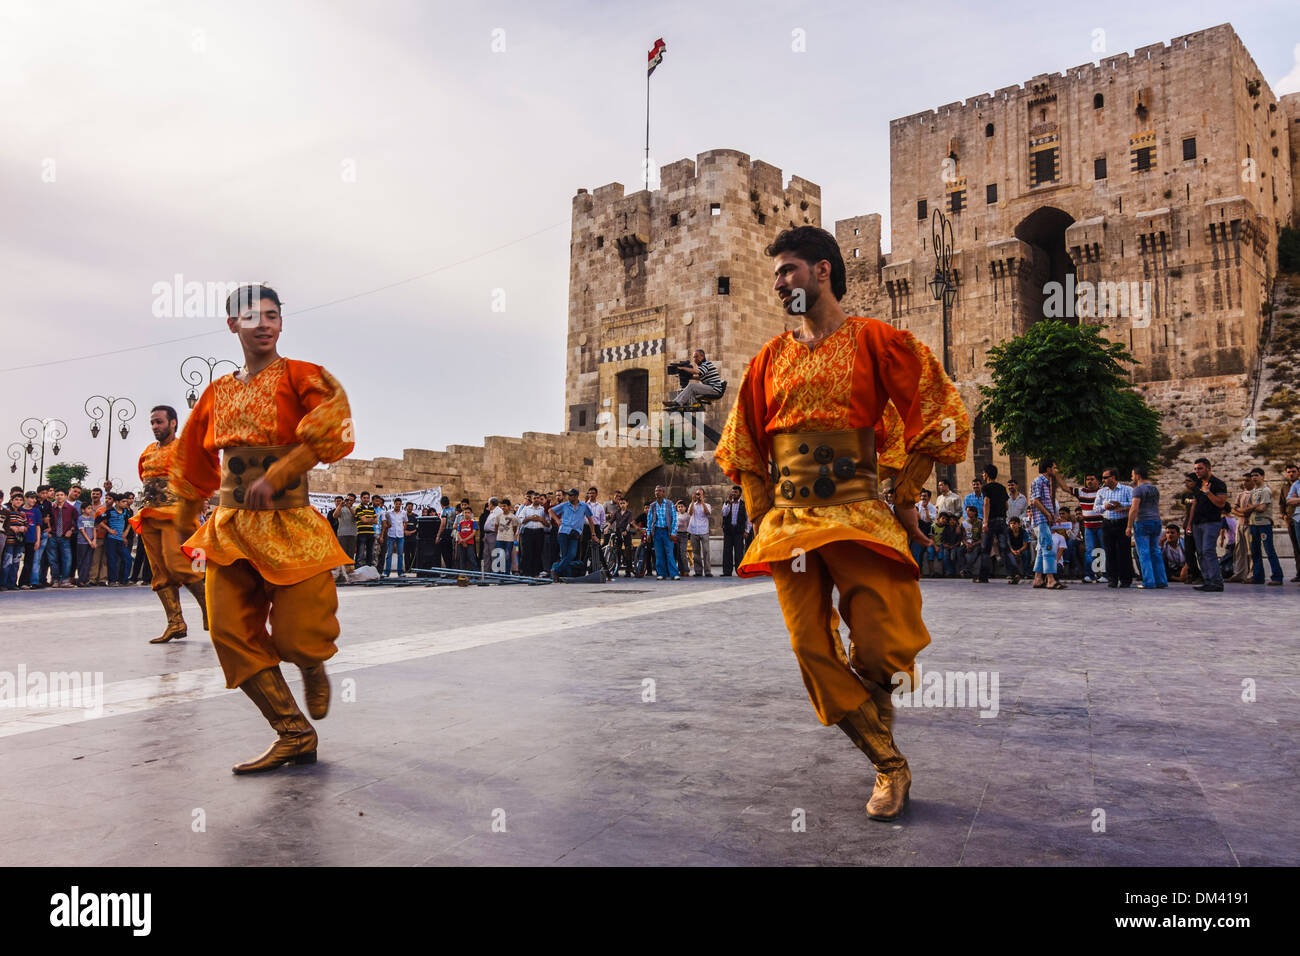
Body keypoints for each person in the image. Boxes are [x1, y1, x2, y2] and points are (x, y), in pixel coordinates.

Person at [714, 225, 968, 821]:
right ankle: (889, 764)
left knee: (882, 645)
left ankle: (875, 710)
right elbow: (742, 445)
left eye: (788, 270)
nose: (778, 283)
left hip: (857, 510)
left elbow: (940, 411)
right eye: (775, 273)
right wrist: (760, 518)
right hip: (790, 519)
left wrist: (907, 492)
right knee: (809, 644)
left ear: (823, 270)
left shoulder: (877, 340)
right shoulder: (767, 360)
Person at [169, 283, 354, 774]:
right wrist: (185, 529)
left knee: (296, 636)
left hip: (292, 523)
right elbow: (192, 459)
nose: (265, 324)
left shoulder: (302, 376)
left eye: (273, 315)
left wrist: (280, 472)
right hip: (231, 528)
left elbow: (334, 422)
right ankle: (293, 732)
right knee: (229, 631)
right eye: (253, 317)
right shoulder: (217, 391)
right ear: (233, 325)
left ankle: (311, 664)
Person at [129, 405, 209, 642]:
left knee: (181, 566)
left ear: (173, 423)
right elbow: (144, 477)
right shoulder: (147, 451)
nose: (155, 426)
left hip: (177, 516)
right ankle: (175, 623)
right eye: (152, 422)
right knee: (160, 572)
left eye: (159, 422)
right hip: (151, 516)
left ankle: (211, 613)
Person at [1189, 458, 1228, 592]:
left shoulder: (1218, 484)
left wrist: (1208, 492)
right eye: (1195, 469)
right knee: (1200, 552)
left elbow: (1221, 503)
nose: (1197, 471)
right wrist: (1189, 522)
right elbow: (1195, 503)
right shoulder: (1198, 484)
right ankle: (1208, 580)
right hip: (1197, 523)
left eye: (1199, 468)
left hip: (1211, 522)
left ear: (1208, 468)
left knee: (1208, 550)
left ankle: (1217, 582)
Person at [1126, 465, 1167, 589]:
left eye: (1133, 475)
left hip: (1143, 522)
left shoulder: (1138, 490)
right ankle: (1161, 580)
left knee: (1143, 552)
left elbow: (1134, 508)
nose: (1132, 477)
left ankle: (1148, 581)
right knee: (1155, 551)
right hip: (1156, 521)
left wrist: (1129, 526)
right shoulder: (1154, 489)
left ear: (1138, 476)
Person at [1030, 460, 1066, 589]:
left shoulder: (1046, 483)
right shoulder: (1038, 482)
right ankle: (1050, 579)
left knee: (1041, 549)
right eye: (1054, 468)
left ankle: (1038, 578)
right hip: (1041, 520)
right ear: (1048, 469)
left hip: (1045, 519)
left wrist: (1053, 516)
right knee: (1049, 548)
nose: (1056, 471)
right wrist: (1048, 514)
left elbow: (1045, 503)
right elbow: (1035, 501)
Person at [1095, 467, 1134, 588]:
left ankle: (1126, 579)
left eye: (1106, 477)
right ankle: (1112, 578)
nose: (1104, 480)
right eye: (1103, 478)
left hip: (1122, 522)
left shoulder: (1127, 489)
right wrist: (1104, 507)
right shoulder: (1101, 491)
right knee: (1109, 551)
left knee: (1124, 551)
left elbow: (1134, 504)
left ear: (1113, 477)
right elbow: (1095, 508)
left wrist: (1121, 505)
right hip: (1107, 522)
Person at [1245, 467, 1284, 585]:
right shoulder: (1253, 492)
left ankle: (1277, 576)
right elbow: (1246, 510)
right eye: (1252, 476)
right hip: (1253, 524)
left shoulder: (1265, 490)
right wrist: (1252, 507)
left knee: (1269, 550)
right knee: (1255, 551)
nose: (1254, 478)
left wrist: (1252, 507)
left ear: (1263, 476)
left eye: (1256, 475)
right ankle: (1258, 576)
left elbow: (1262, 508)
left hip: (1264, 524)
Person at [550, 488, 597, 579]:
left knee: (572, 554)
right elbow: (551, 511)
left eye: (571, 495)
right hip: (564, 532)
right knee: (564, 555)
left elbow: (591, 520)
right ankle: (564, 575)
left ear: (576, 496)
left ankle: (556, 570)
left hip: (575, 533)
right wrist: (557, 521)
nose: (569, 497)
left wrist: (593, 534)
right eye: (568, 495)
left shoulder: (584, 506)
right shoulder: (565, 505)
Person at [975, 464, 1008, 583]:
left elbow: (986, 503)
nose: (983, 475)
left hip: (991, 520)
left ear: (987, 475)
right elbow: (1006, 505)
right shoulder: (1002, 488)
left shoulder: (986, 488)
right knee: (1005, 548)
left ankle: (983, 576)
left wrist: (985, 522)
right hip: (1002, 520)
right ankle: (1014, 573)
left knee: (985, 549)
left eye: (983, 473)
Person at [45, 489, 78, 588]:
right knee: (53, 559)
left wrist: (71, 530)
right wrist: (49, 531)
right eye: (57, 495)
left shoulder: (71, 508)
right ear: (55, 497)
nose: (59, 496)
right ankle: (55, 579)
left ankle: (65, 580)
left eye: (61, 494)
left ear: (65, 496)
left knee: (67, 559)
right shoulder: (51, 508)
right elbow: (46, 520)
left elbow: (77, 522)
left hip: (65, 537)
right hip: (53, 536)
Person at [645, 486, 679, 581]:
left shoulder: (669, 504)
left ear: (663, 493)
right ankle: (661, 573)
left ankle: (674, 574)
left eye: (659, 491)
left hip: (667, 531)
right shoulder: (653, 505)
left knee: (669, 553)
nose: (657, 493)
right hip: (657, 531)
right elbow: (650, 520)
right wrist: (648, 533)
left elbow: (674, 519)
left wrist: (673, 532)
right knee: (659, 554)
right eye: (656, 491)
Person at [686, 488, 712, 577]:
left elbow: (708, 513)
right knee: (696, 552)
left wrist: (702, 502)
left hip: (704, 530)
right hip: (694, 530)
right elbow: (689, 513)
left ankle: (708, 571)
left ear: (703, 495)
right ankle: (698, 571)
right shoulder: (692, 504)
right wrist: (692, 501)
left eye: (700, 494)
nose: (698, 495)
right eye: (697, 494)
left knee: (706, 551)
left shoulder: (707, 505)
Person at [382, 496, 407, 578]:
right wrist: (387, 531)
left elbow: (405, 522)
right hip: (391, 535)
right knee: (389, 554)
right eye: (396, 504)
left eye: (399, 504)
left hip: (400, 535)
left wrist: (403, 529)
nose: (398, 505)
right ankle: (387, 572)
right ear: (394, 504)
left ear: (401, 505)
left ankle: (400, 572)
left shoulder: (403, 513)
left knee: (400, 554)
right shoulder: (389, 513)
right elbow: (385, 523)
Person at [333, 494, 357, 575]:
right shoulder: (341, 508)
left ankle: (350, 572)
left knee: (350, 554)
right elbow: (335, 515)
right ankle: (341, 573)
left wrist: (349, 507)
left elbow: (355, 516)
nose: (349, 501)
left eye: (351, 500)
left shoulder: (355, 508)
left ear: (354, 501)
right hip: (342, 534)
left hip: (352, 534)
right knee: (342, 554)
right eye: (347, 499)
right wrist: (340, 505)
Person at [354, 492, 377, 568]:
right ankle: (357, 568)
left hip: (371, 533)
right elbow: (364, 520)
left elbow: (376, 521)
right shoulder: (358, 508)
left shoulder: (372, 508)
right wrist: (371, 519)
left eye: (367, 498)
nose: (366, 499)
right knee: (360, 553)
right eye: (364, 498)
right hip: (362, 533)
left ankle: (368, 569)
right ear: (361, 498)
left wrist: (368, 519)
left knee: (370, 553)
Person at [1006, 516, 1029, 584]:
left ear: (1019, 524)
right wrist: (1013, 551)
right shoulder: (1008, 531)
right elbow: (1008, 544)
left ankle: (1025, 573)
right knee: (1007, 554)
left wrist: (1019, 551)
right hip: (1011, 548)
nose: (1012, 525)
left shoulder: (1023, 532)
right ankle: (1010, 574)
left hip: (1021, 548)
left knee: (1026, 553)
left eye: (1014, 523)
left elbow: (1025, 545)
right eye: (1011, 523)